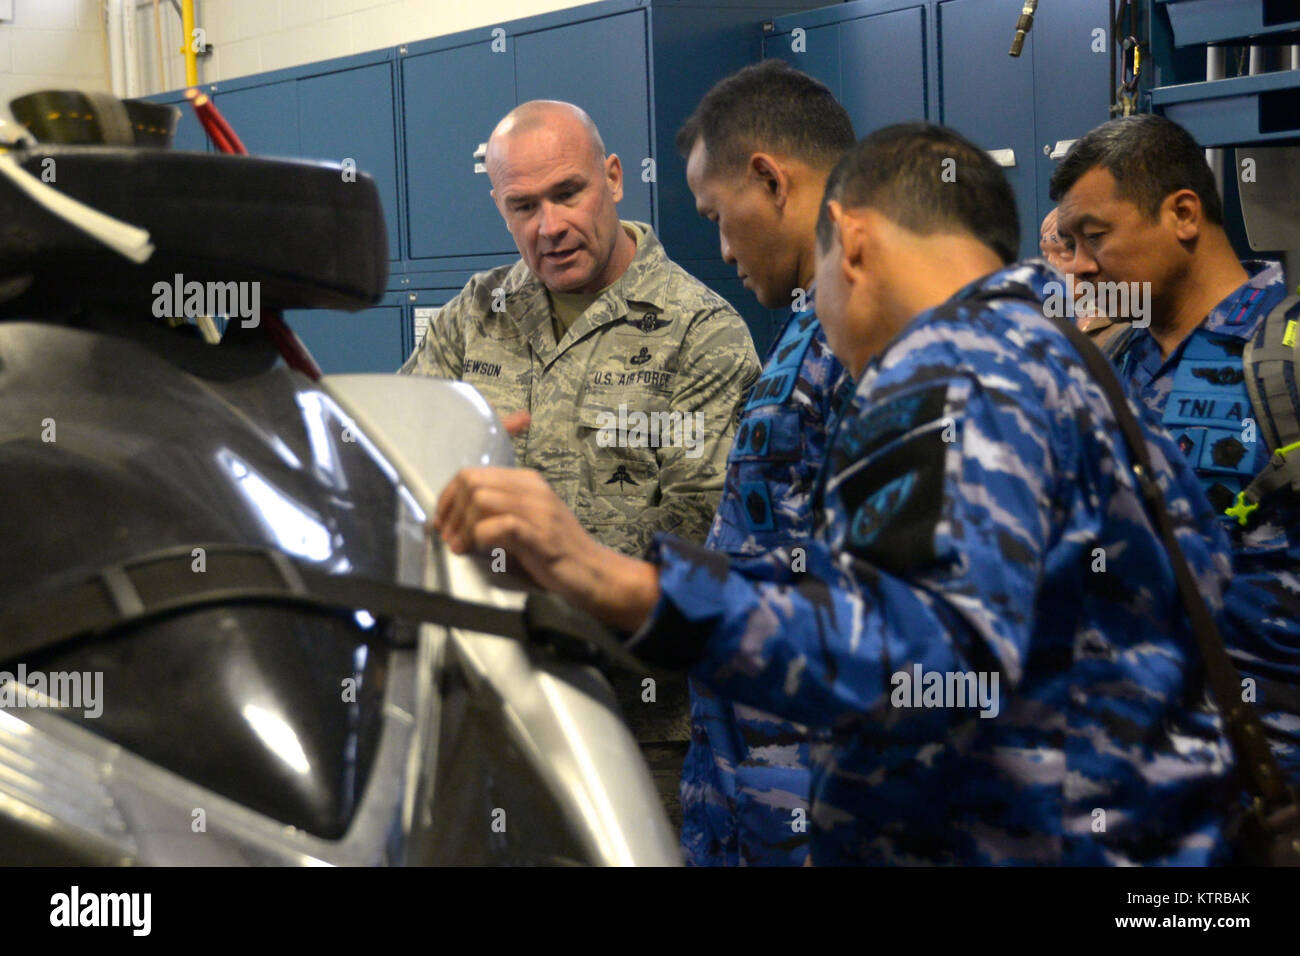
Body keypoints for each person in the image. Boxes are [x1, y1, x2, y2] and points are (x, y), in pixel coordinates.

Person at [430, 123, 1241, 865]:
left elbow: (923, 657)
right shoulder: (1066, 356)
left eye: (816, 280)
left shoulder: (954, 369)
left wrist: (625, 585)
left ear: (850, 243)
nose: (819, 312)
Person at [1051, 114, 1300, 783]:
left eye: (1093, 237)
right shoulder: (1105, 364)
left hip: (1267, 776)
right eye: (1067, 245)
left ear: (1184, 213)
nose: (1079, 266)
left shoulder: (1285, 356)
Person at [400, 100, 759, 556]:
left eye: (568, 193)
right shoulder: (475, 313)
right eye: (524, 207)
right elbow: (401, 455)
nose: (550, 227)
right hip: (480, 611)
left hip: (617, 623)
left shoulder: (701, 332)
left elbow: (703, 524)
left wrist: (557, 554)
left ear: (613, 179)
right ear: (500, 206)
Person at [673, 60, 854, 866]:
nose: (720, 246)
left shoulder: (869, 338)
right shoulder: (804, 327)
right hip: (748, 784)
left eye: (718, 214)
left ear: (770, 180)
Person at [1040, 207, 1128, 349]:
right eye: (1046, 255)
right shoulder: (1043, 324)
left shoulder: (1129, 327)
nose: (1050, 266)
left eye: (1063, 253)